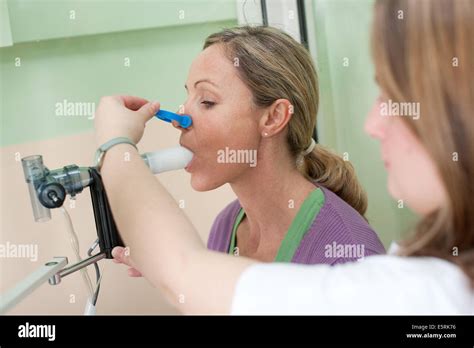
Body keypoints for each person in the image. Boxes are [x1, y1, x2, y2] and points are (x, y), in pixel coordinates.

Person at [97, 0, 473, 314]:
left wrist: (115, 144)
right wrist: (160, 260)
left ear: (274, 117)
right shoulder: (228, 226)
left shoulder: (350, 252)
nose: (183, 120)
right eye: (188, 97)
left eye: (208, 101)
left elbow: (184, 269)